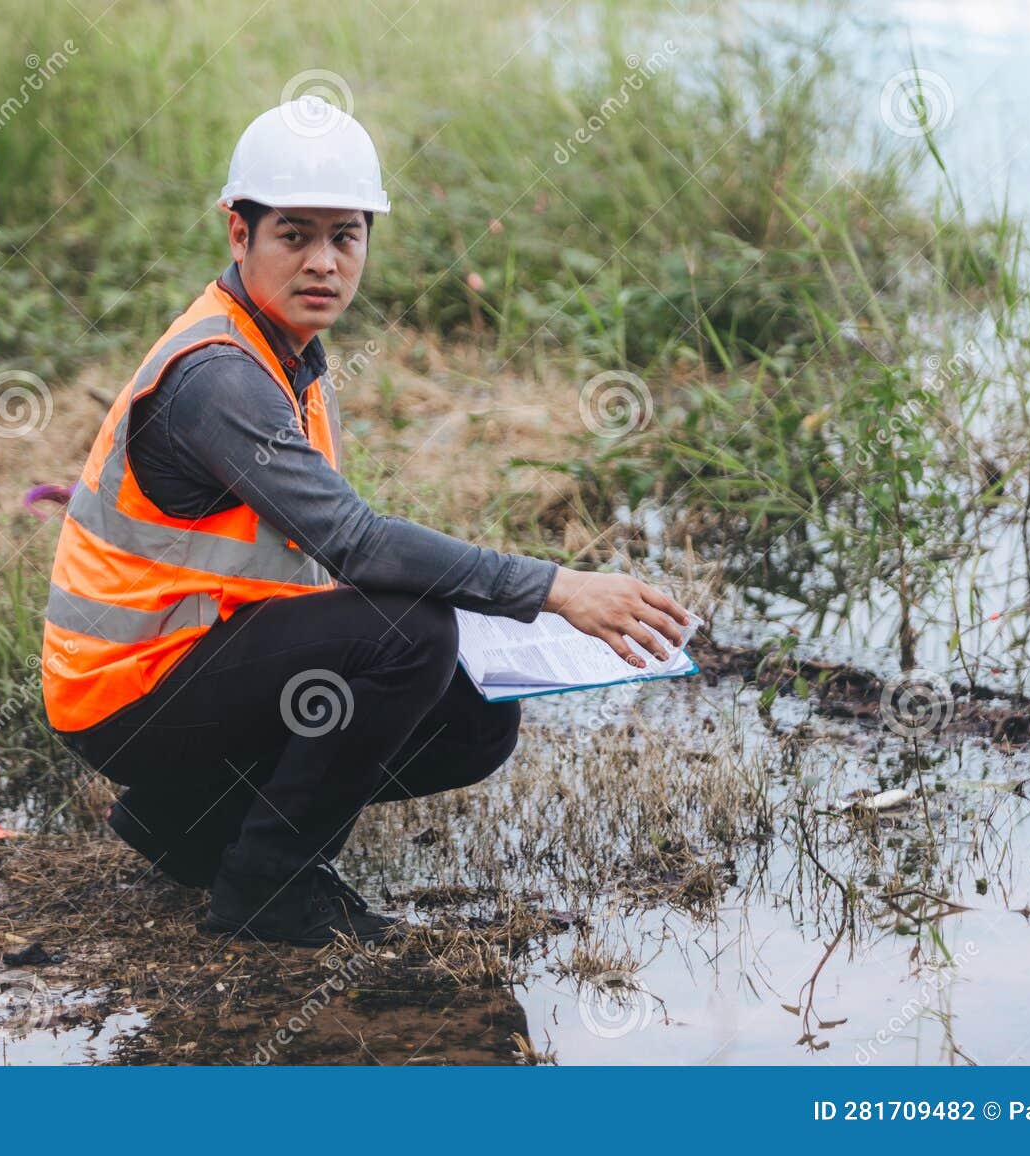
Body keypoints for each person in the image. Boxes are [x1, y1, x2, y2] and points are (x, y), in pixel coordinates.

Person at [40, 94, 691, 947]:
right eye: (294, 235)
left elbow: (327, 550)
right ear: (239, 235)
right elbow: (354, 540)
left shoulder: (286, 353)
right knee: (409, 638)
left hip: (193, 667)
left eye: (345, 236)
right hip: (124, 695)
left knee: (474, 720)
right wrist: (554, 588)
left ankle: (187, 822)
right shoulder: (220, 377)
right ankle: (267, 891)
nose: (323, 262)